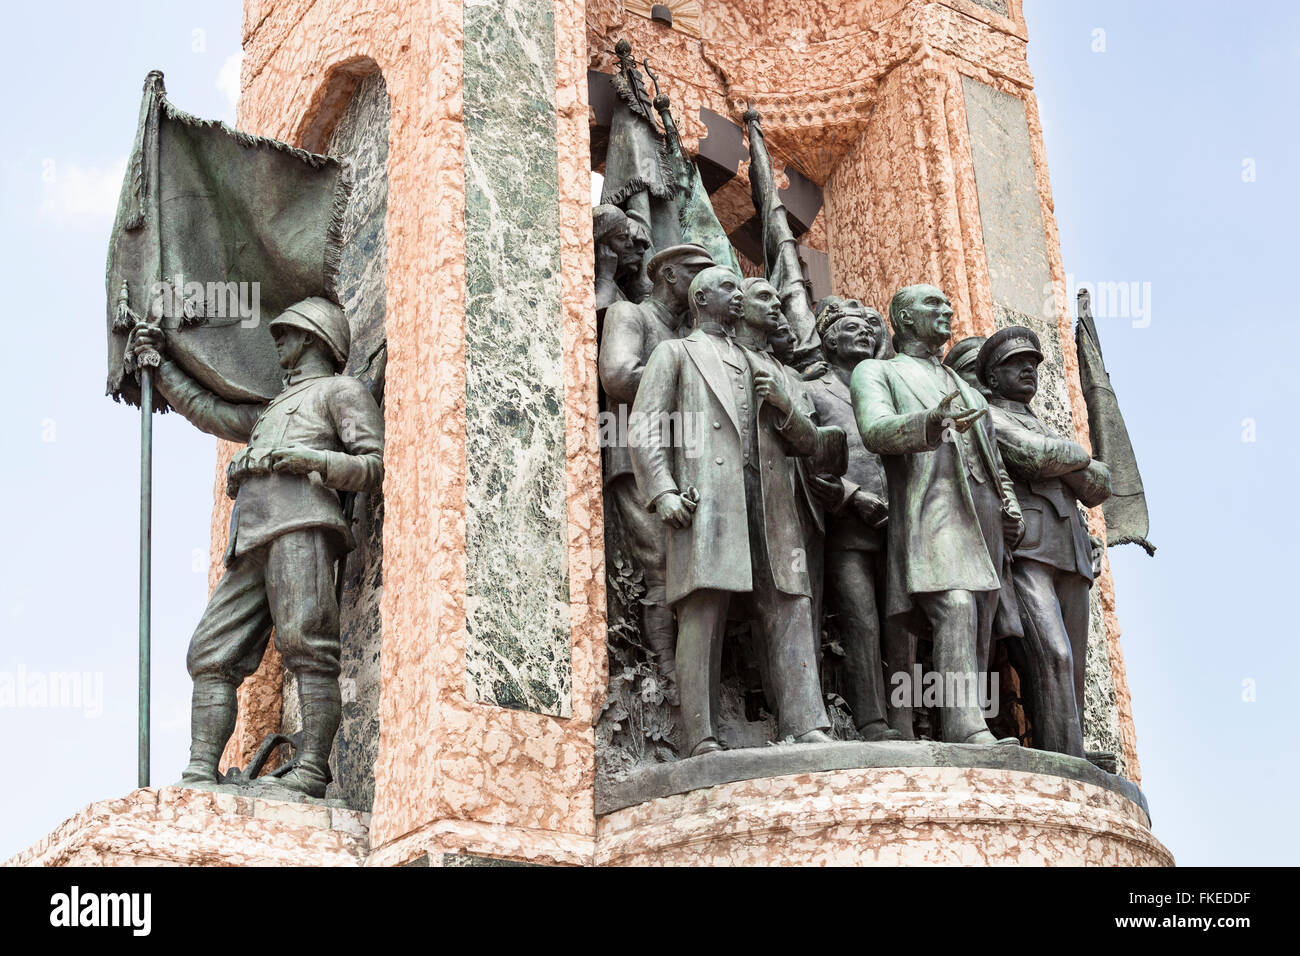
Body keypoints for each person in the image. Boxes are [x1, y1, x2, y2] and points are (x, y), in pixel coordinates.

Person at [127, 296, 384, 796]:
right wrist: (158, 367)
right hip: (249, 540)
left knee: (306, 646)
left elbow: (374, 464)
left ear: (312, 338)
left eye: (285, 333)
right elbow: (209, 411)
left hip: (302, 524)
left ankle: (311, 771)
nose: (277, 341)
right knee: (210, 652)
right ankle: (201, 769)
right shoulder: (270, 410)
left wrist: (307, 460)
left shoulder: (340, 391)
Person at [630, 267, 844, 756]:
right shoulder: (676, 353)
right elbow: (643, 427)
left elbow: (809, 444)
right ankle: (701, 734)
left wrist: (786, 405)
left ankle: (806, 722)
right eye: (727, 286)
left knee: (789, 604)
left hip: (770, 501)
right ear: (701, 297)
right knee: (704, 608)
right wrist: (662, 491)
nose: (737, 294)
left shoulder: (765, 364)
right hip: (706, 500)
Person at [850, 284, 1021, 746]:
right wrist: (929, 422)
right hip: (932, 508)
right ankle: (966, 727)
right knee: (956, 605)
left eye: (948, 302)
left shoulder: (967, 387)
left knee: (981, 619)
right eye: (933, 304)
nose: (946, 309)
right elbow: (874, 430)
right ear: (904, 318)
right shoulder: (877, 371)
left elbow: (994, 459)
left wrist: (1009, 500)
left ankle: (970, 723)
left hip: (982, 511)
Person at [978, 327, 1111, 756]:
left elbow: (1100, 487)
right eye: (1016, 364)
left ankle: (1071, 747)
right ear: (992, 378)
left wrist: (1063, 458)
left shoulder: (1040, 424)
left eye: (1033, 364)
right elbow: (1033, 458)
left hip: (1070, 550)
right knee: (1052, 654)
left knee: (1073, 662)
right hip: (1027, 549)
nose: (1028, 370)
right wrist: (1076, 459)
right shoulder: (989, 416)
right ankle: (1067, 757)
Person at [599, 244, 715, 683]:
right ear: (668, 274)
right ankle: (667, 674)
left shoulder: (690, 334)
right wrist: (681, 380)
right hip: (635, 458)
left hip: (684, 463)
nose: (704, 282)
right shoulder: (630, 314)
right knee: (660, 567)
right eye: (696, 272)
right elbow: (617, 375)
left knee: (691, 569)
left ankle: (693, 674)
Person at [804, 297, 902, 741]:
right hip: (846, 526)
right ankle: (872, 720)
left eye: (867, 327)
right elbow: (809, 458)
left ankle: (905, 720)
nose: (863, 333)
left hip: (897, 524)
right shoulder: (812, 389)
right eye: (850, 328)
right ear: (828, 338)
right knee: (861, 623)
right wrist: (853, 496)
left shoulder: (886, 389)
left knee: (901, 624)